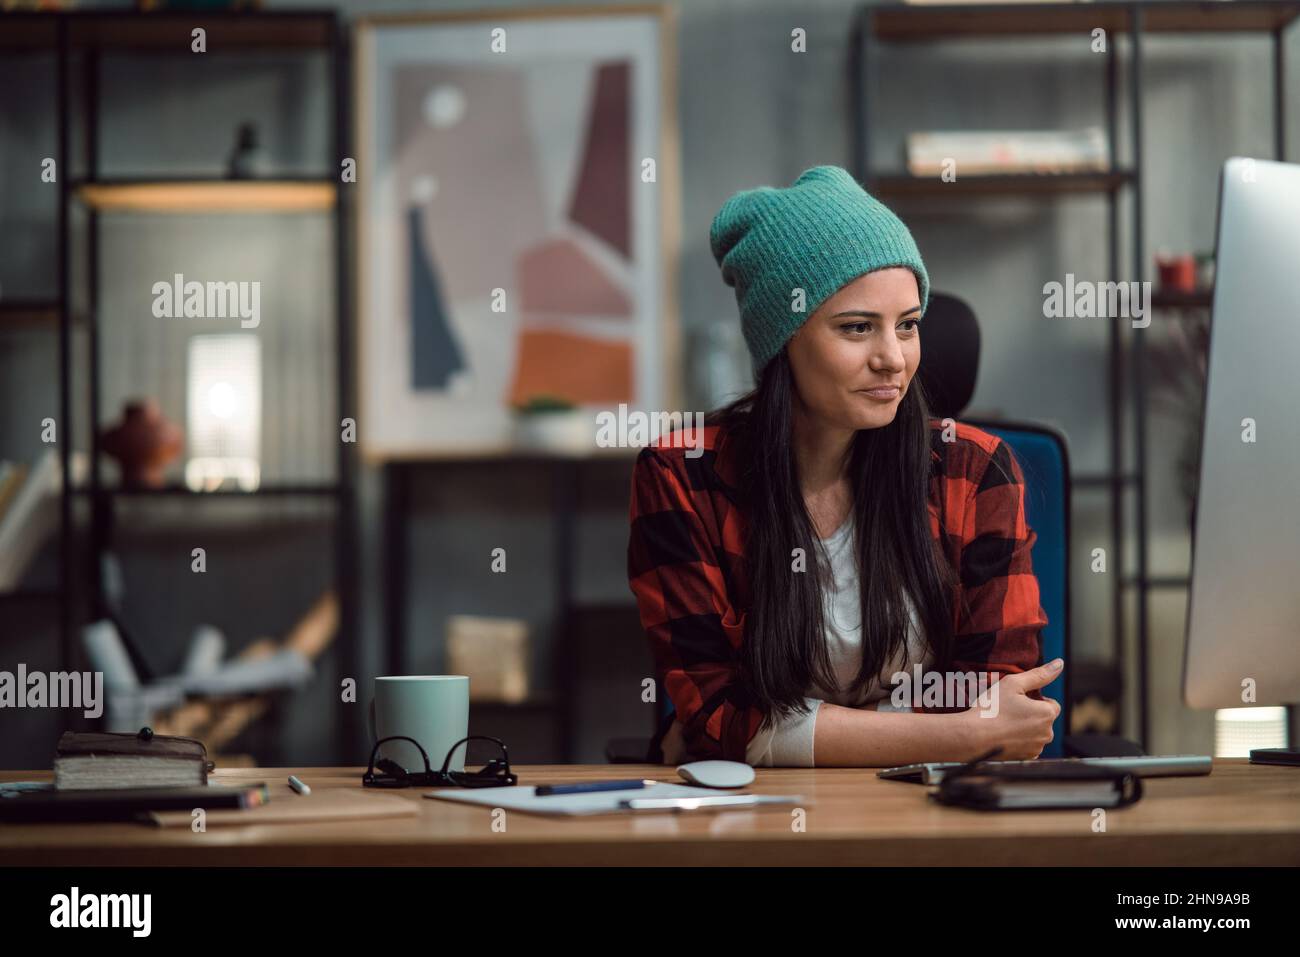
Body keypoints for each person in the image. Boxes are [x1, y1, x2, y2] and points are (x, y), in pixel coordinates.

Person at [626, 165, 1060, 767]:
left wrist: (785, 734)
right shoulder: (684, 476)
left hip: (932, 812)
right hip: (759, 818)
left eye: (907, 326)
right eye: (857, 328)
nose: (892, 360)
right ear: (783, 342)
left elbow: (1001, 701)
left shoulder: (975, 470)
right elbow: (720, 716)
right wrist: (959, 736)